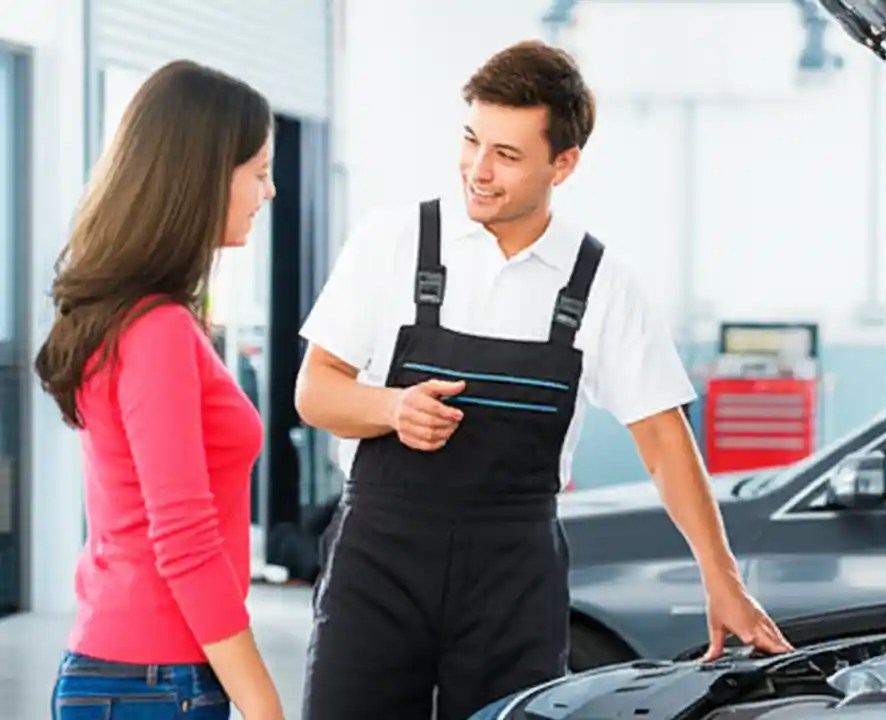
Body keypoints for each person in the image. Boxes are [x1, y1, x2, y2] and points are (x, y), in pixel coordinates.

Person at [294, 39, 793, 720]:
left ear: (564, 163)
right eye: (472, 140)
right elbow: (315, 390)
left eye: (506, 155)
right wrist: (390, 408)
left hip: (512, 575)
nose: (478, 170)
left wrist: (721, 576)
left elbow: (662, 437)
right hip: (379, 564)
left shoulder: (601, 284)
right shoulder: (394, 242)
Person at [34, 60, 284, 720]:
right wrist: (262, 704)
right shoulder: (157, 329)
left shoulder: (144, 319)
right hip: (152, 680)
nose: (271, 191)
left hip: (146, 675)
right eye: (258, 172)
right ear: (202, 176)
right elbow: (184, 536)